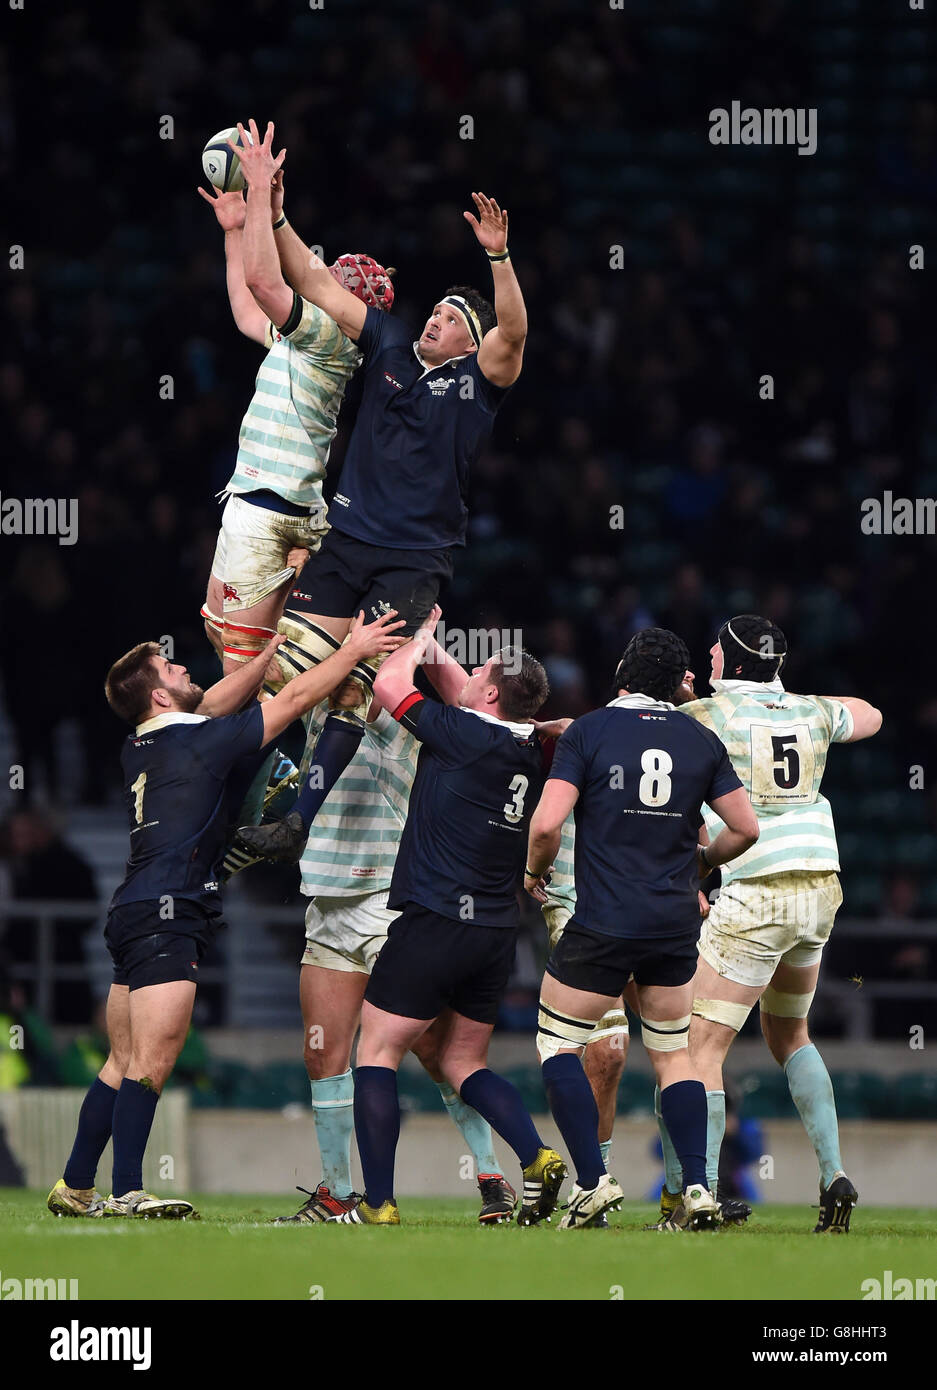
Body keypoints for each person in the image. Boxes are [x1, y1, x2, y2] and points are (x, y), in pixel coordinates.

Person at [232, 120, 528, 863]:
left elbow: (515, 335)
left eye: (453, 319)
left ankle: (296, 819)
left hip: (414, 559)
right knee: (282, 669)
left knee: (353, 688)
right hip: (347, 540)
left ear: (471, 342)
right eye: (436, 310)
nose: (436, 318)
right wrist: (269, 209)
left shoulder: (479, 384)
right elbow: (314, 280)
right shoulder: (390, 344)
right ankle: (236, 793)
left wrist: (497, 258)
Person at [46, 608, 404, 1221]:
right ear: (160, 693)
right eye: (171, 665)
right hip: (170, 913)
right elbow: (292, 699)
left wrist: (272, 643)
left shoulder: (145, 744)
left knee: (120, 1061)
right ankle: (127, 1191)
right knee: (153, 1063)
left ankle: (75, 1185)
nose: (184, 665)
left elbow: (216, 700)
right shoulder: (198, 742)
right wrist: (354, 649)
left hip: (132, 909)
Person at [329, 610, 566, 1227]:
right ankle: (536, 1155)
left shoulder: (464, 734)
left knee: (377, 1054)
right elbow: (468, 694)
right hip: (493, 933)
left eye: (481, 670)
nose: (470, 673)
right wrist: (429, 639)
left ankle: (377, 1204)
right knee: (464, 1064)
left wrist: (413, 644)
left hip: (435, 917)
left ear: (489, 692)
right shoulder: (528, 746)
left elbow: (388, 686)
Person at [524, 628, 759, 1230]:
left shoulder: (591, 730)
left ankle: (592, 1182)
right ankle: (699, 1190)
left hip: (605, 918)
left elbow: (547, 824)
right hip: (674, 922)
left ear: (624, 670)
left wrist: (533, 873)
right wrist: (702, 864)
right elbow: (745, 829)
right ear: (677, 683)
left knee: (558, 1044)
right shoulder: (700, 739)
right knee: (674, 1057)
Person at [273, 680, 516, 1225]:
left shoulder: (416, 711)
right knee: (322, 1055)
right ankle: (338, 1192)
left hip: (395, 898)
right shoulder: (317, 693)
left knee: (435, 1053)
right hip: (328, 895)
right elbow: (246, 645)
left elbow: (479, 710)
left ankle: (491, 1176)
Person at [675, 615, 883, 1233]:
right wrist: (797, 700)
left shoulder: (704, 718)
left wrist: (697, 704)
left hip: (757, 887)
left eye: (715, 652)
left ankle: (704, 1194)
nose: (709, 658)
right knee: (791, 1033)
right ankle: (834, 1174)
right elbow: (870, 715)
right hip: (819, 884)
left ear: (728, 663)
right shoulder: (812, 713)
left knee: (699, 1046)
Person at [198, 126, 394, 678]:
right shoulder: (308, 335)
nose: (319, 279)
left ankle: (272, 764)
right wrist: (237, 228)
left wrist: (260, 192)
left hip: (267, 506)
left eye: (332, 278)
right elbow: (245, 309)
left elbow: (263, 282)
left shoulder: (330, 338)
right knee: (245, 649)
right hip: (286, 505)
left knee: (242, 663)